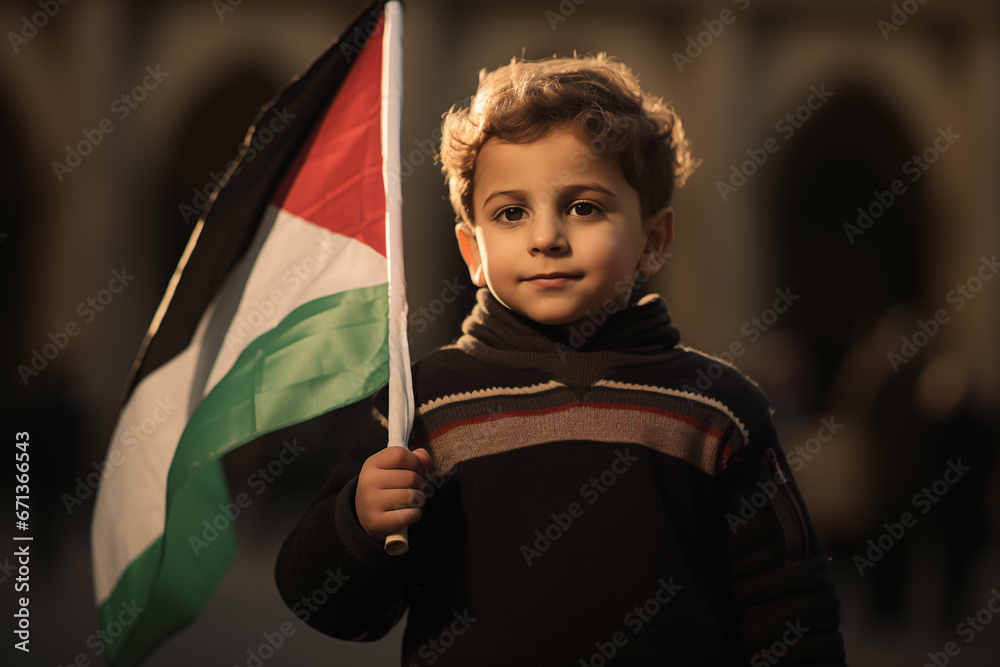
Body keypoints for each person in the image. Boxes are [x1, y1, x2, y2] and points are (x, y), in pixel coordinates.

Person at [275, 53, 846, 665]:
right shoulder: (427, 403)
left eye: (584, 207)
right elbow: (328, 604)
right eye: (511, 213)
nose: (545, 237)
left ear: (653, 240)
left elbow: (790, 605)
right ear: (473, 251)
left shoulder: (718, 406)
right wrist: (359, 523)